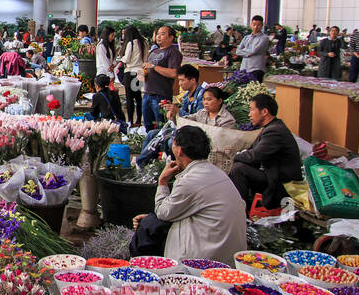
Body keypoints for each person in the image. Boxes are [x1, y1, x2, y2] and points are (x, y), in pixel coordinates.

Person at [130, 126, 247, 264]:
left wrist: (162, 182)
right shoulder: (216, 172)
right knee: (151, 221)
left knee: (148, 226)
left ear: (179, 150)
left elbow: (163, 213)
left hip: (207, 257)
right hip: (227, 252)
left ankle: (139, 268)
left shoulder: (190, 181)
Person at [230, 94, 304, 212]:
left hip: (282, 182)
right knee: (240, 165)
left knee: (239, 169)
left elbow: (255, 156)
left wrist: (232, 157)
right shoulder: (270, 128)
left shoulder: (275, 131)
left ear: (264, 111)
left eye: (252, 109)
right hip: (272, 173)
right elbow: (252, 151)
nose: (249, 114)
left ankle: (240, 211)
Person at [140, 25, 183, 131]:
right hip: (147, 94)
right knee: (148, 126)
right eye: (157, 34)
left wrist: (154, 67)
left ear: (171, 37)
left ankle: (161, 147)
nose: (158, 36)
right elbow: (147, 70)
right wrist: (142, 74)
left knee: (161, 127)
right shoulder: (153, 52)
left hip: (160, 96)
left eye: (162, 34)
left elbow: (174, 73)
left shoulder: (173, 52)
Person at [118, 24, 148, 128]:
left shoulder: (131, 43)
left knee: (129, 98)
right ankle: (139, 120)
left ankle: (130, 121)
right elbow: (145, 58)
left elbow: (126, 59)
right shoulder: (144, 42)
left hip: (130, 72)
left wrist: (120, 60)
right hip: (139, 72)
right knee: (138, 98)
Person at [234, 15, 271, 82]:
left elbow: (254, 51)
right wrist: (248, 53)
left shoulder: (264, 38)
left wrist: (243, 50)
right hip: (244, 68)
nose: (256, 27)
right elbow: (237, 51)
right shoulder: (246, 37)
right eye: (254, 24)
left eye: (258, 25)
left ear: (262, 25)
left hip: (257, 68)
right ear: (251, 25)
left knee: (254, 90)